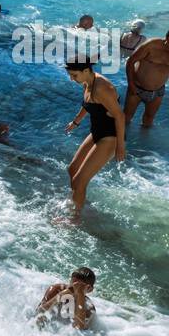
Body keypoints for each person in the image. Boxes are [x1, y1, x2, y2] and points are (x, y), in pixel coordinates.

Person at [64, 57, 125, 220]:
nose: (72, 79)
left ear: (85, 71)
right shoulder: (87, 82)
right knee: (72, 170)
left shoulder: (102, 88)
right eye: (70, 75)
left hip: (110, 136)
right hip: (97, 131)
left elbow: (120, 116)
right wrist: (76, 121)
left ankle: (74, 219)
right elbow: (88, 104)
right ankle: (79, 198)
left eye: (74, 75)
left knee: (78, 180)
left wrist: (120, 146)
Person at [123, 25, 169, 128]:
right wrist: (131, 84)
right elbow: (131, 62)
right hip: (137, 89)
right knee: (126, 118)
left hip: (158, 92)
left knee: (149, 120)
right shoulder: (150, 45)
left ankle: (144, 142)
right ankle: (121, 142)